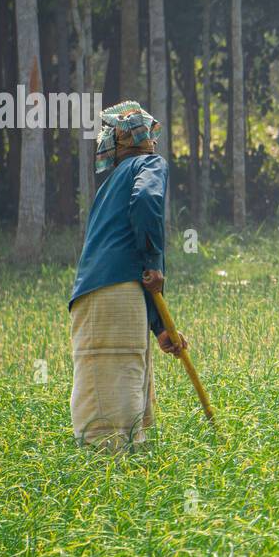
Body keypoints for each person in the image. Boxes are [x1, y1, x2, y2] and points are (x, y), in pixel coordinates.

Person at [68, 101, 186, 453]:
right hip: (116, 295)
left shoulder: (109, 187)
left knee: (118, 381)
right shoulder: (149, 164)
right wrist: (154, 262)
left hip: (94, 298)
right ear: (146, 140)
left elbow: (132, 267)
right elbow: (148, 202)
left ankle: (123, 478)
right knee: (118, 389)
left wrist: (161, 328)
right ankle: (108, 480)